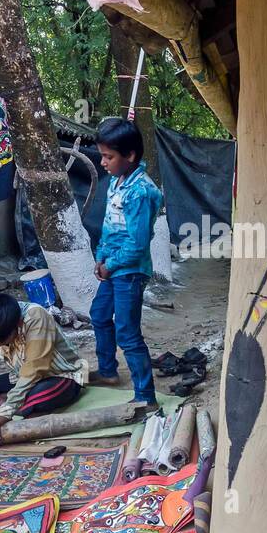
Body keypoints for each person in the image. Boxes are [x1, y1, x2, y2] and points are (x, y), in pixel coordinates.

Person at [91, 118, 163, 406]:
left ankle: (146, 396)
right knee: (99, 315)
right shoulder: (117, 182)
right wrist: (100, 258)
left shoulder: (141, 192)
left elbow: (137, 243)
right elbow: (110, 227)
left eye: (109, 157)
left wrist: (111, 265)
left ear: (130, 156)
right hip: (113, 265)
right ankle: (108, 372)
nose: (103, 163)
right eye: (102, 156)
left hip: (130, 271)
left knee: (128, 333)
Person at [0, 292, 88, 443]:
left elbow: (34, 370)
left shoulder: (36, 316)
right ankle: (25, 410)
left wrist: (4, 413)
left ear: (17, 325)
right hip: (20, 375)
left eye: (4, 342)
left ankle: (16, 406)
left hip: (61, 375)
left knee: (40, 395)